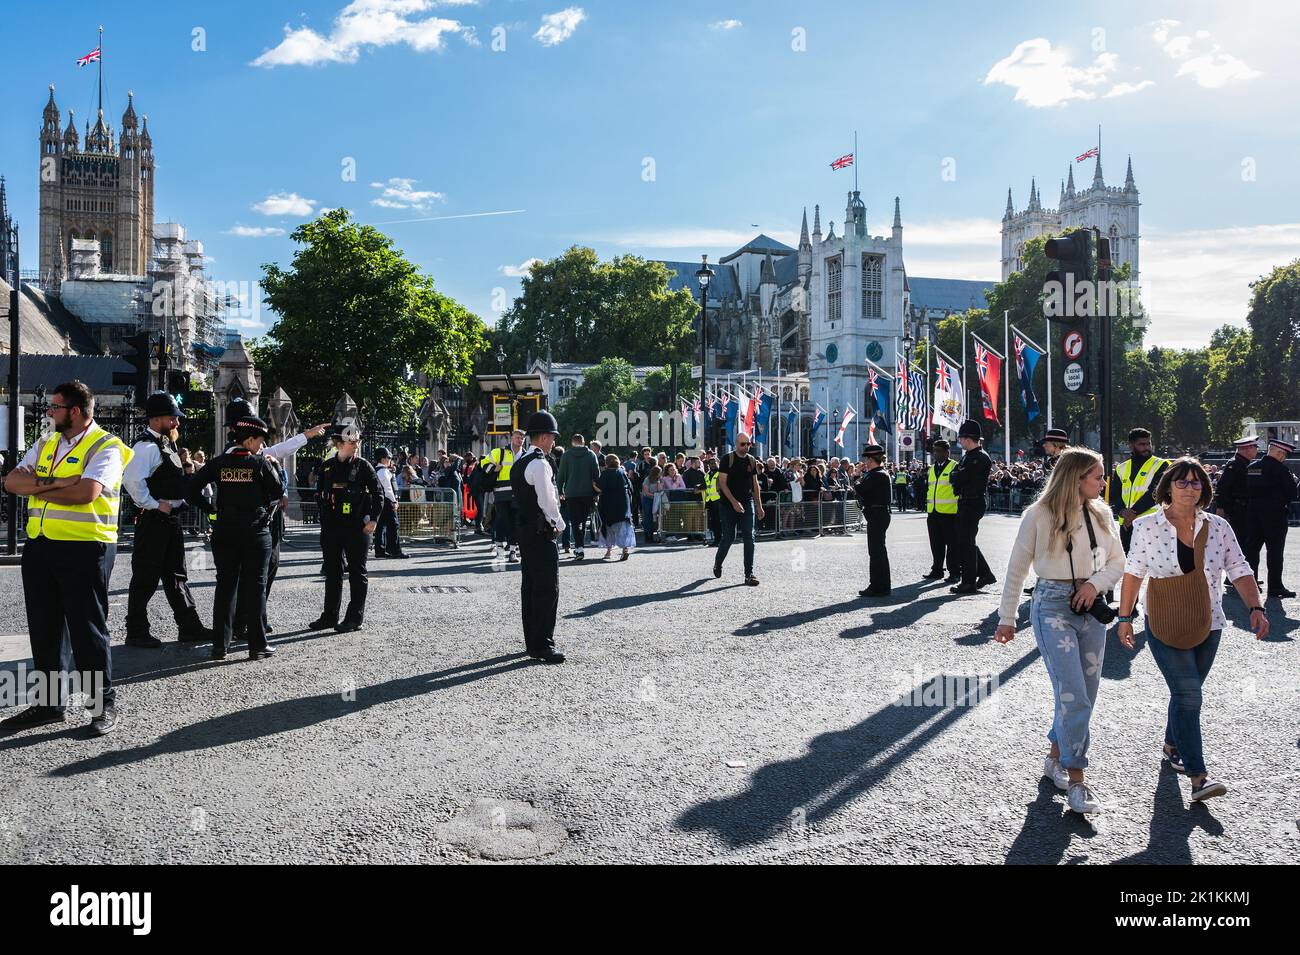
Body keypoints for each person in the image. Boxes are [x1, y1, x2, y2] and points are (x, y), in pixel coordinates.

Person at [1116, 457, 1269, 802]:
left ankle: (1172, 745)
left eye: (1197, 482)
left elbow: (1239, 568)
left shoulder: (1217, 526)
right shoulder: (1146, 526)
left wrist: (1255, 607)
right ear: (1168, 487)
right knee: (1189, 695)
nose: (1190, 487)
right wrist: (1125, 618)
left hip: (1208, 619)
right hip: (1163, 618)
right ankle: (1198, 777)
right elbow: (1133, 572)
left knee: (1187, 693)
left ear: (1205, 488)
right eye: (1182, 482)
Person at [994, 447, 1127, 815]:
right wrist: (1007, 617)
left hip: (1090, 605)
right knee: (1073, 693)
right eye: (1098, 476)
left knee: (1084, 692)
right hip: (1051, 604)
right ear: (1077, 478)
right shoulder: (1037, 514)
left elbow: (1118, 561)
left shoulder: (1102, 514)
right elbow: (1017, 568)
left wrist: (1094, 584)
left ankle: (1055, 759)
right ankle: (1078, 781)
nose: (1104, 482)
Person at [0, 380, 130, 736]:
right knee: (45, 630)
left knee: (87, 630)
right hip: (41, 545)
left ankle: (102, 705)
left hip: (86, 546)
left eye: (54, 407)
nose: (49, 412)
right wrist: (58, 482)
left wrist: (40, 484)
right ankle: (48, 705)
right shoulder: (47, 443)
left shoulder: (107, 446)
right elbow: (11, 482)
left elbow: (87, 492)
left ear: (74, 411)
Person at [186, 414, 286, 661]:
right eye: (260, 441)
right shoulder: (259, 464)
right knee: (256, 587)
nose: (261, 446)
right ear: (250, 440)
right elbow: (277, 490)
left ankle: (220, 646)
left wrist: (210, 510)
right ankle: (257, 645)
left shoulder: (219, 463)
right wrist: (271, 465)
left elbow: (189, 489)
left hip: (226, 529)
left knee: (226, 586)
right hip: (254, 530)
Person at [121, 391, 212, 647]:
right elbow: (131, 481)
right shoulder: (146, 447)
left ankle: (189, 627)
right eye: (173, 418)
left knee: (176, 575)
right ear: (157, 419)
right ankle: (136, 631)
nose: (177, 423)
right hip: (154, 519)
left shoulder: (164, 444)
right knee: (145, 577)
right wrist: (153, 505)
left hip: (167, 519)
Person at [311, 424, 382, 633]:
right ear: (339, 444)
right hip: (332, 527)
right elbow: (320, 494)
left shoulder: (363, 466)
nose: (356, 445)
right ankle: (329, 616)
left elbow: (378, 494)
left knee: (357, 573)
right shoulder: (327, 466)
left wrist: (374, 520)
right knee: (332, 572)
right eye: (352, 442)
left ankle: (354, 618)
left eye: (358, 441)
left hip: (356, 527)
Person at [511, 411, 566, 663]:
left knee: (530, 586)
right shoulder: (540, 463)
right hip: (541, 530)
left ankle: (532, 640)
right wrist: (559, 524)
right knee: (547, 587)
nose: (553, 441)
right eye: (552, 437)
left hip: (524, 529)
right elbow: (548, 500)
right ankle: (543, 643)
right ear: (543, 437)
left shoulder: (520, 461)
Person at [1241, 438, 1298, 598]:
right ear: (1279, 453)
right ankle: (1275, 587)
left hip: (1253, 513)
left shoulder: (1252, 468)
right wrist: (1293, 482)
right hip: (1274, 514)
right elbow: (1292, 494)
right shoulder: (1281, 470)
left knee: (1252, 549)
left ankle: (1250, 584)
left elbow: (1248, 488)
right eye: (1284, 454)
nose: (1284, 458)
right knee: (1275, 551)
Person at [950, 419, 997, 594]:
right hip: (965, 500)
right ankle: (985, 573)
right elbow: (955, 476)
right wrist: (956, 475)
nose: (959, 442)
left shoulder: (980, 457)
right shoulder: (968, 456)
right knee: (966, 540)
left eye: (961, 438)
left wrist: (956, 475)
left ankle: (968, 581)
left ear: (968, 439)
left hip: (973, 501)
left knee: (966, 542)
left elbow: (960, 477)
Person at [1106, 427, 1169, 553]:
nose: (1147, 447)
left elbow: (1155, 493)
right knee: (1129, 566)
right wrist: (1123, 512)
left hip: (1152, 524)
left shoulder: (1162, 464)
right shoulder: (1121, 468)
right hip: (1127, 526)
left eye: (1148, 443)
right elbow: (1114, 495)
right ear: (1131, 445)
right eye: (1142, 444)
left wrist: (1132, 513)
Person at [713, 431, 764, 586]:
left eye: (748, 444)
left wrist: (759, 506)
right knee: (729, 537)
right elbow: (722, 483)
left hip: (747, 502)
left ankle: (749, 574)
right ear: (736, 444)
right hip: (728, 504)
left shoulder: (751, 460)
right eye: (743, 444)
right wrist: (734, 502)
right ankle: (718, 563)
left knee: (750, 536)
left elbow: (755, 484)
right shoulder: (727, 459)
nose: (746, 447)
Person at [1211, 435, 1259, 587]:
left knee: (1244, 545)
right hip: (1238, 511)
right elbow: (1222, 489)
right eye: (1254, 447)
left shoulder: (1244, 463)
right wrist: (1220, 509)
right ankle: (1235, 579)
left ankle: (1237, 577)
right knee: (1241, 545)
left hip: (1245, 509)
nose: (1256, 450)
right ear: (1245, 449)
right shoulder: (1235, 465)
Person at [853, 443, 892, 597]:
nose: (865, 462)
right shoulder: (876, 473)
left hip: (877, 513)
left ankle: (878, 586)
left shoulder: (878, 474)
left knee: (876, 552)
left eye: (867, 459)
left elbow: (860, 489)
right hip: (876, 513)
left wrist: (856, 478)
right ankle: (880, 584)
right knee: (877, 551)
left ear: (871, 459)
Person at [557, 433, 600, 560]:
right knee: (583, 520)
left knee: (575, 522)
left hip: (571, 493)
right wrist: (596, 493)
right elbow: (596, 474)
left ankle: (579, 548)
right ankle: (580, 547)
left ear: (572, 442)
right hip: (587, 493)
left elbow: (561, 476)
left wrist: (560, 490)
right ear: (583, 442)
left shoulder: (566, 455)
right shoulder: (591, 455)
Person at [482, 431, 523, 563]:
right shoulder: (500, 452)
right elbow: (484, 463)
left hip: (518, 495)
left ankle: (512, 551)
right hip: (501, 493)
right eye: (517, 437)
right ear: (512, 438)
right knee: (502, 520)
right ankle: (499, 549)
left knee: (515, 522)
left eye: (522, 438)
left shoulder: (525, 454)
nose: (520, 440)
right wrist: (494, 468)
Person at [923, 438, 959, 582]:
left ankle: (954, 572)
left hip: (950, 513)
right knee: (935, 544)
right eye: (934, 451)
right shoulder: (932, 468)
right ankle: (937, 569)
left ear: (946, 452)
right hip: (933, 512)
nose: (935, 454)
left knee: (952, 545)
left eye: (938, 451)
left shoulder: (954, 466)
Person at [596, 453, 636, 560]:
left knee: (608, 527)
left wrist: (593, 484)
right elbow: (629, 487)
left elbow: (600, 488)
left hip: (608, 503)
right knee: (623, 528)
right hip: (623, 503)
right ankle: (625, 550)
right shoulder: (622, 472)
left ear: (607, 463)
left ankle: (609, 552)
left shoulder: (605, 473)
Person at [372, 447, 409, 559]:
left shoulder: (377, 470)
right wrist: (394, 501)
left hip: (380, 501)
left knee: (381, 526)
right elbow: (388, 489)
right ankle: (395, 550)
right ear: (382, 459)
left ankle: (380, 550)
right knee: (393, 525)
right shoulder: (383, 471)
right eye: (388, 457)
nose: (390, 460)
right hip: (387, 501)